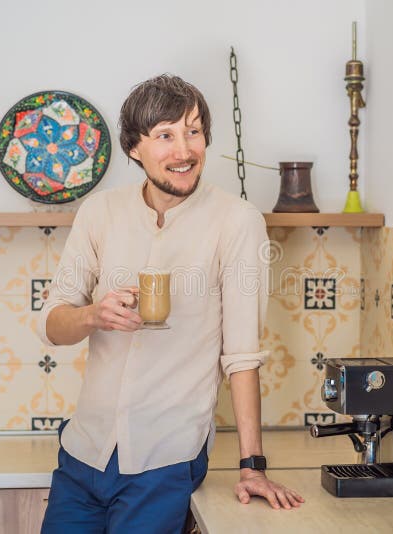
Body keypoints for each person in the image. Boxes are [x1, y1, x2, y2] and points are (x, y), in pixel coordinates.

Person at [38, 74, 304, 533]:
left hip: (165, 463)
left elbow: (240, 356)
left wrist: (252, 465)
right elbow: (52, 324)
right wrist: (92, 314)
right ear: (133, 148)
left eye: (194, 132)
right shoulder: (100, 213)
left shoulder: (236, 222)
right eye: (165, 135)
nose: (184, 151)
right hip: (83, 456)